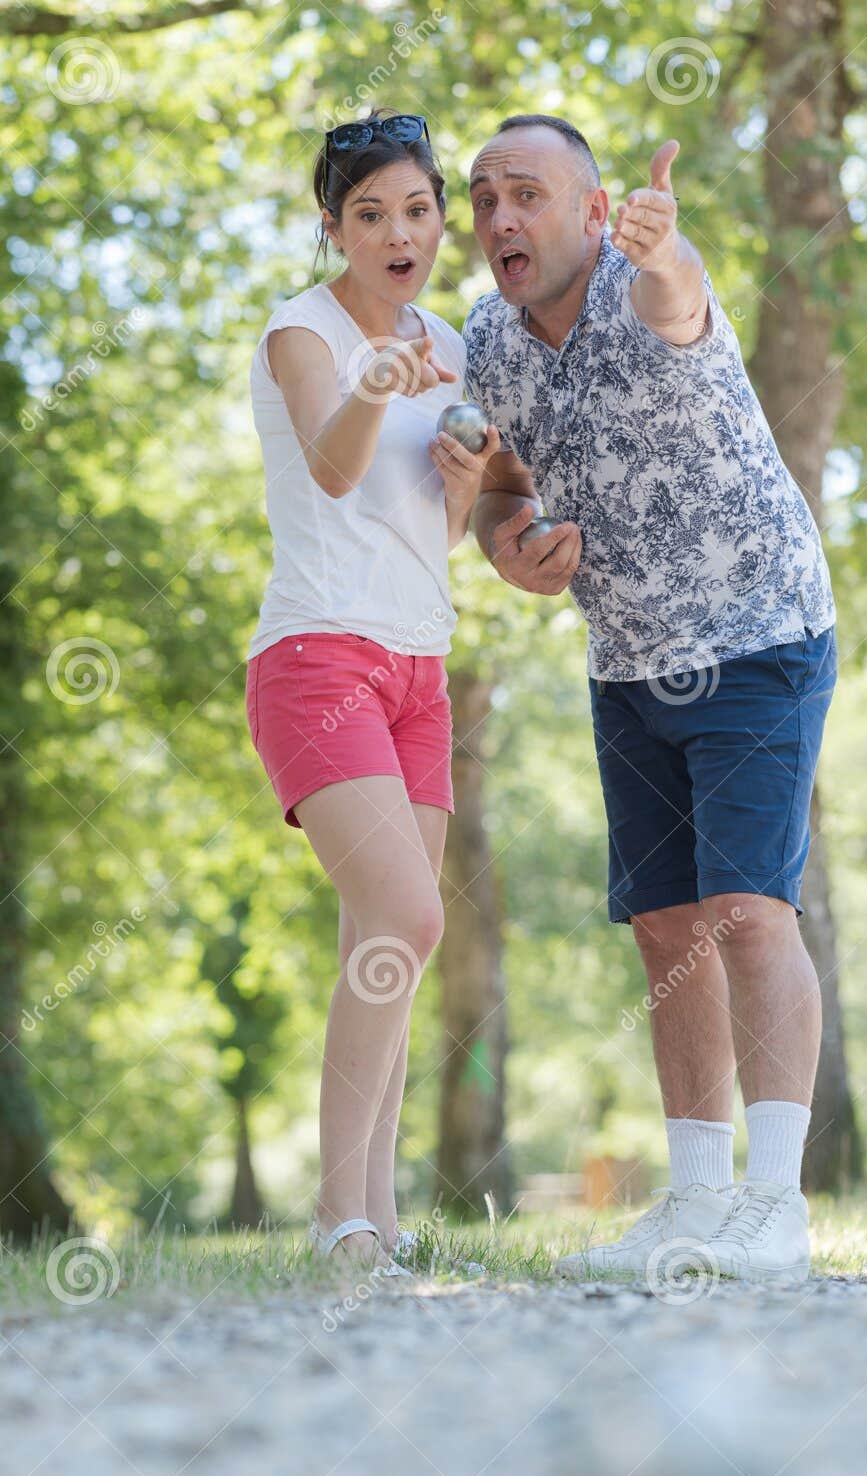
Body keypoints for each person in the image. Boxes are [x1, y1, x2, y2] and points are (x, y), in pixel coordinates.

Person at [462, 115, 838, 1286]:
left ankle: (775, 1207)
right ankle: (695, 1203)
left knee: (748, 912)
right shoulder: (488, 338)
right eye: (481, 200)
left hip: (760, 630)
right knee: (667, 927)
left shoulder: (646, 279)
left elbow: (681, 299)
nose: (497, 220)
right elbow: (502, 482)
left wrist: (665, 246)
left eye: (525, 194)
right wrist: (506, 544)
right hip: (628, 660)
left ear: (590, 213)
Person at [246, 110, 498, 1271]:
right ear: (334, 229)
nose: (399, 234)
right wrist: (376, 381)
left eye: (417, 209)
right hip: (316, 661)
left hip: (418, 669)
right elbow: (335, 466)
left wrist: (461, 481)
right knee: (406, 919)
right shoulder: (301, 333)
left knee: (384, 946)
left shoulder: (451, 337)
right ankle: (337, 1215)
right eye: (369, 214)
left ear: (440, 213)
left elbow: (424, 530)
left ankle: (377, 1221)